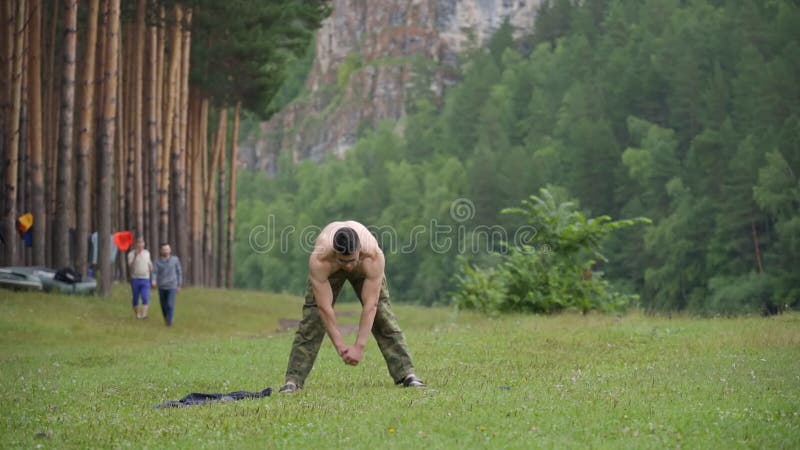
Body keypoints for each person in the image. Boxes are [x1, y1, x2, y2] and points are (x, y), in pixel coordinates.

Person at [279, 221, 425, 394]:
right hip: (331, 269)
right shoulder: (320, 259)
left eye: (351, 261)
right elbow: (324, 308)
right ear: (335, 253)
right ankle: (293, 380)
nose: (348, 266)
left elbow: (371, 305)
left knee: (383, 315)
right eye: (343, 261)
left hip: (363, 268)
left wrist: (359, 347)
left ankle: (407, 373)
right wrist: (340, 346)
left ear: (359, 251)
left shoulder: (373, 256)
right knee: (313, 319)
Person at [152, 243, 183, 326]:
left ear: (170, 250)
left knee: (170, 304)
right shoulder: (157, 261)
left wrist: (179, 285)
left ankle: (169, 321)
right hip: (162, 286)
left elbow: (179, 272)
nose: (166, 251)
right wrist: (153, 280)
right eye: (164, 249)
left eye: (167, 249)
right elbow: (154, 272)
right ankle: (167, 318)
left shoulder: (175, 260)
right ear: (161, 251)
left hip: (172, 286)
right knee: (163, 305)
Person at [127, 236, 153, 319]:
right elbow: (131, 266)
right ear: (135, 244)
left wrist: (150, 267)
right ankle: (137, 314)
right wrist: (135, 256)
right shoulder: (131, 254)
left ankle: (144, 315)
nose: (140, 244)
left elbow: (149, 263)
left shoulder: (147, 253)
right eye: (139, 242)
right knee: (135, 298)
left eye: (142, 242)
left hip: (145, 278)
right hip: (135, 278)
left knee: (145, 297)